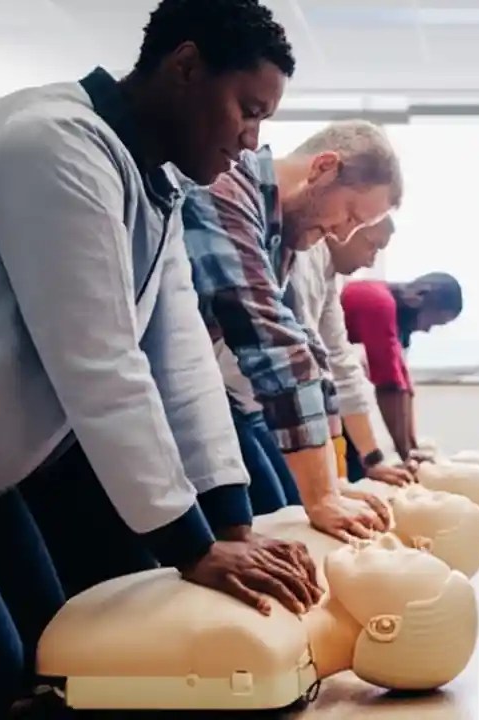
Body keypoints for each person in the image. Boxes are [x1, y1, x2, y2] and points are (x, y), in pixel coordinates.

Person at [0, 1, 321, 716]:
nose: (252, 142)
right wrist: (192, 547)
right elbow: (99, 360)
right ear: (186, 66)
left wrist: (231, 523)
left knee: (56, 645)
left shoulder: (158, 185)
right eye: (247, 111)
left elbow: (181, 361)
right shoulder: (53, 142)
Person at [182, 119, 401, 537]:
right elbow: (273, 347)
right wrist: (322, 497)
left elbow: (312, 353)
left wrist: (334, 481)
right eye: (350, 215)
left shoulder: (282, 231)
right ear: (323, 168)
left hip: (199, 398)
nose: (343, 234)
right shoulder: (228, 192)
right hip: (111, 409)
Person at [289, 215, 424, 484]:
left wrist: (374, 459)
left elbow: (340, 361)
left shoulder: (328, 272)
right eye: (371, 245)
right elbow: (388, 383)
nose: (371, 261)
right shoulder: (303, 259)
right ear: (346, 225)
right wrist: (402, 452)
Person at [339, 272, 463, 474]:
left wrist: (412, 447)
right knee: (355, 464)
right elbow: (389, 386)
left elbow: (403, 385)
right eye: (431, 321)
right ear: (420, 295)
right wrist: (405, 456)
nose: (427, 330)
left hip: (328, 372)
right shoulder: (379, 303)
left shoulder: (399, 317)